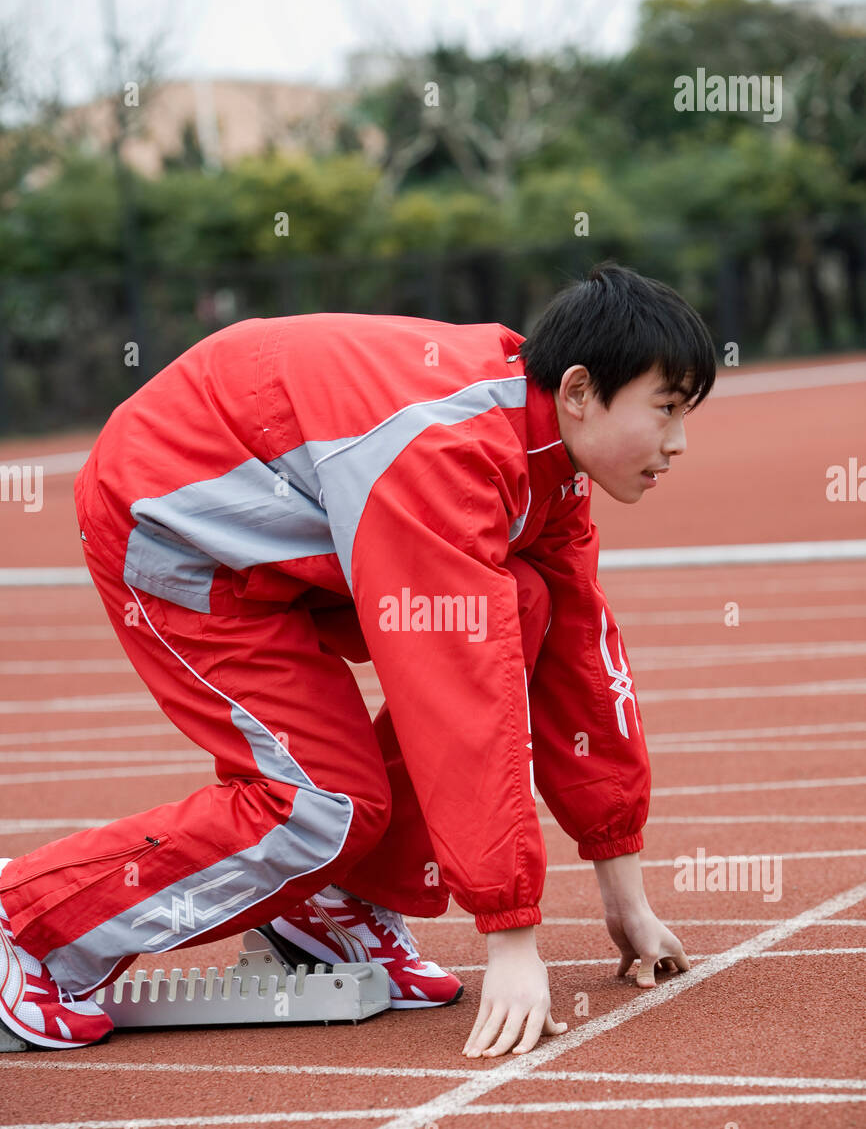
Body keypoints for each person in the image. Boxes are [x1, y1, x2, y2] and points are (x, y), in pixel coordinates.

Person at [0, 261, 715, 1057]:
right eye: (667, 411)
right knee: (322, 804)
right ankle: (26, 921)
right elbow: (460, 691)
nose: (679, 444)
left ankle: (334, 904)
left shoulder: (550, 458)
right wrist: (511, 935)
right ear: (579, 391)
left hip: (292, 535)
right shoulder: (447, 447)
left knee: (528, 604)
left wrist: (625, 894)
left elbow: (582, 665)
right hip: (174, 529)